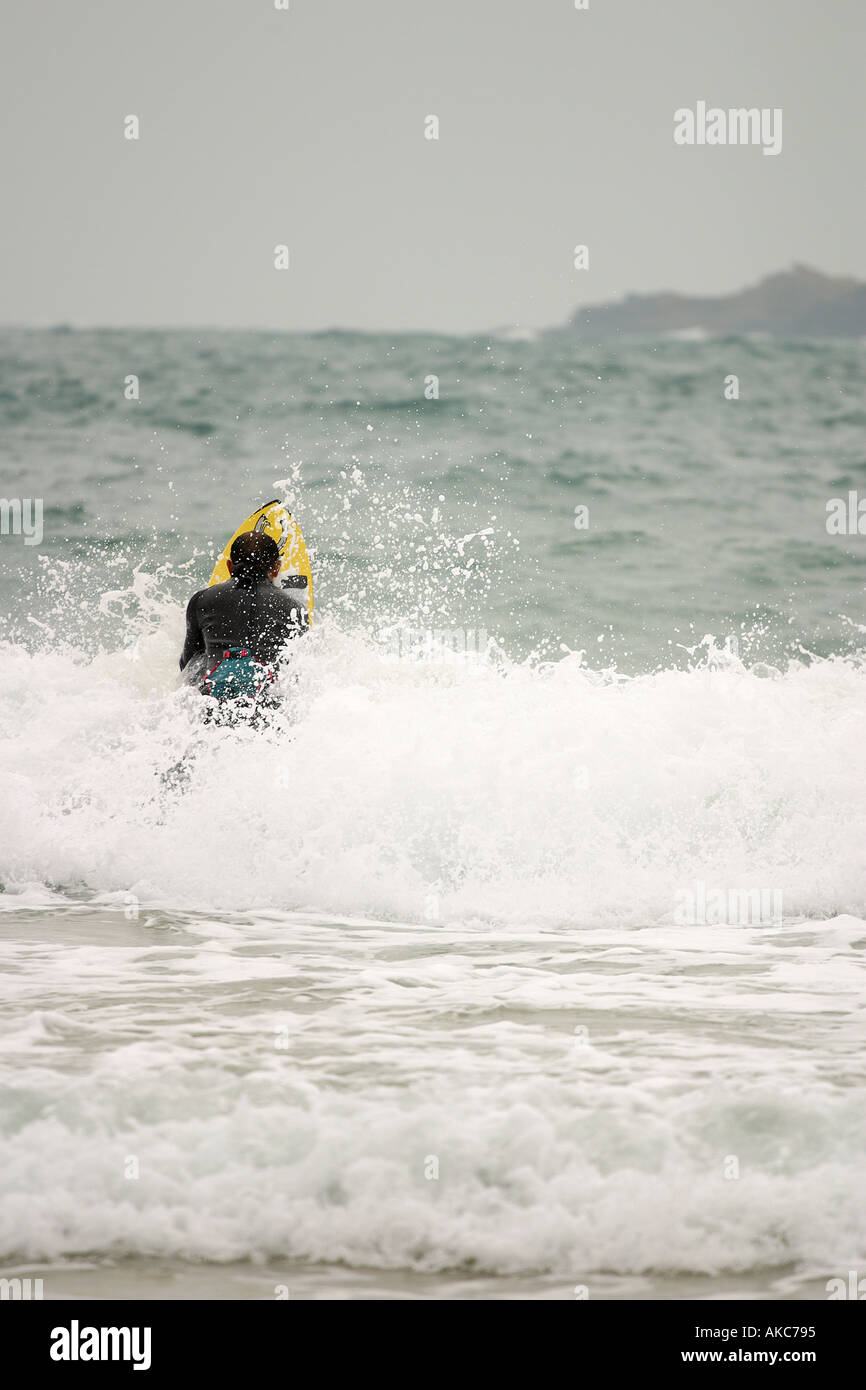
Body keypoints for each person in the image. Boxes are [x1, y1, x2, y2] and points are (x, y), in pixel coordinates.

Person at [179, 531, 307, 711]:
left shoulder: (202, 600)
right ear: (276, 568)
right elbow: (297, 673)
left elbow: (188, 665)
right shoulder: (295, 609)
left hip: (212, 707)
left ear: (230, 566)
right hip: (266, 710)